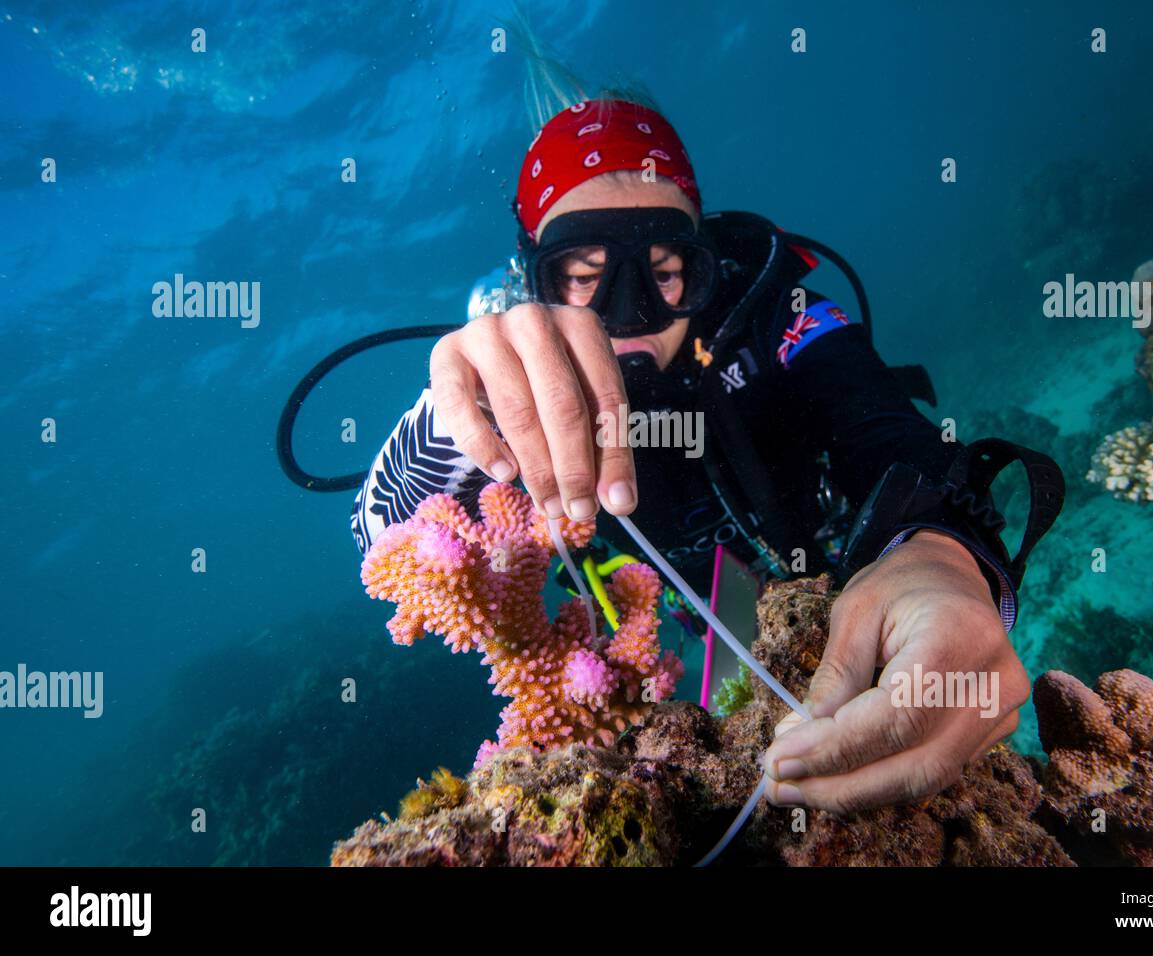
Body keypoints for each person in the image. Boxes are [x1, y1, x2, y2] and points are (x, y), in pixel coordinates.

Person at [351, 91, 1062, 816]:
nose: (627, 315)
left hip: (831, 599)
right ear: (531, 282)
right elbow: (378, 540)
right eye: (583, 275)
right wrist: (454, 416)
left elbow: (888, 433)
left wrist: (941, 561)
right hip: (669, 638)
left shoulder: (779, 327)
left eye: (664, 270)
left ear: (708, 264)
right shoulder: (506, 392)